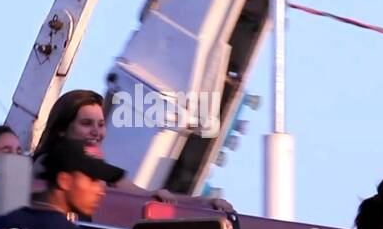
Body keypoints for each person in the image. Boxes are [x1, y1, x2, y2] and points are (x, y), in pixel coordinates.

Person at [33, 89, 233, 212]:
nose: (96, 132)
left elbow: (145, 196)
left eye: (101, 124)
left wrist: (206, 203)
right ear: (61, 129)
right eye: (86, 124)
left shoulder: (100, 172)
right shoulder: (43, 164)